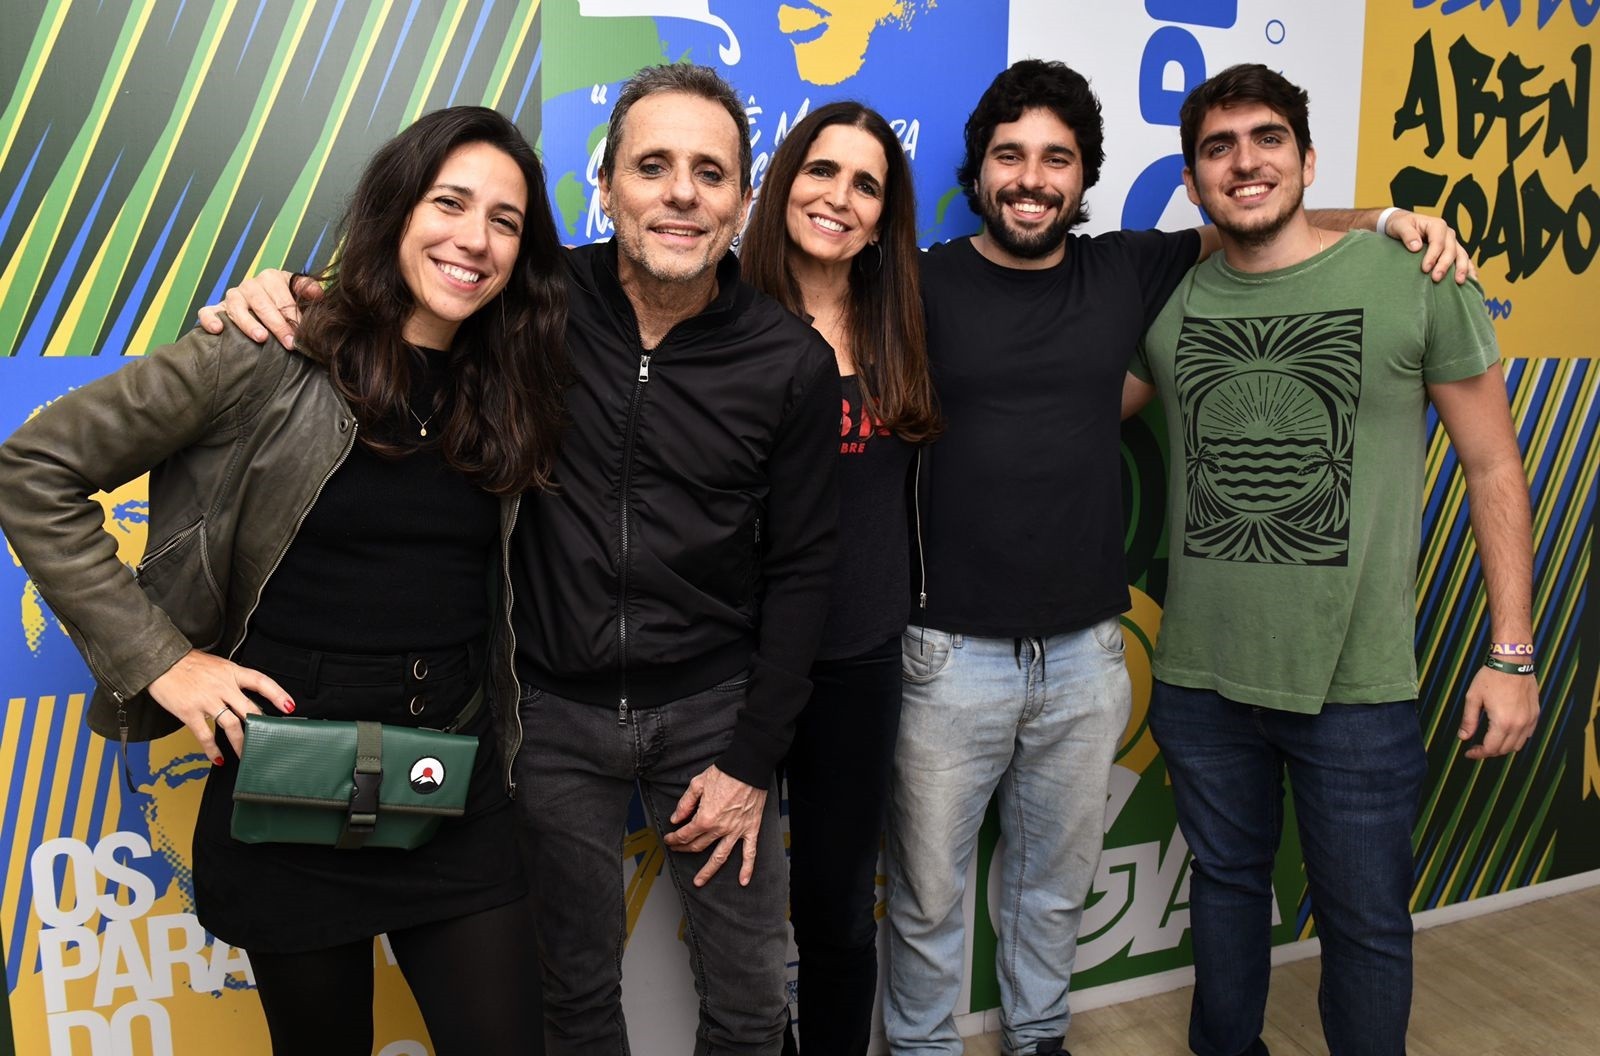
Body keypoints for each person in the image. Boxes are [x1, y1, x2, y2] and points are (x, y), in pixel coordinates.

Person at [202, 64, 840, 1055]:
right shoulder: (527, 306)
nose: (681, 192)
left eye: (710, 172)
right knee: (572, 996)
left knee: (754, 1000)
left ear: (742, 202)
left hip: (715, 717)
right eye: (654, 166)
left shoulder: (786, 358)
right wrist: (278, 297)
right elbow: (400, 308)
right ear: (607, 185)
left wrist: (751, 759)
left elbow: (803, 568)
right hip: (545, 721)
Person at [886, 59, 1477, 1056]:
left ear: (1083, 178)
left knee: (1052, 885)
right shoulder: (917, 280)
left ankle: (1038, 1040)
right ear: (979, 170)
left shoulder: (1130, 270)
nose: (1032, 177)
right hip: (948, 654)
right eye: (1010, 156)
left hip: (1084, 654)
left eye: (1056, 159)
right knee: (927, 891)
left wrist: (1389, 217)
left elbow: (1266, 212)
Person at [0, 106, 569, 1054]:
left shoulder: (517, 376)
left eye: (505, 221)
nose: (475, 238)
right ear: (396, 210)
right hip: (291, 789)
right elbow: (31, 469)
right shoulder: (265, 350)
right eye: (451, 202)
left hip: (454, 783)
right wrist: (164, 661)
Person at [1121, 63, 1539, 1056]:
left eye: (1267, 139)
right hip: (1200, 680)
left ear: (1307, 160)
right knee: (1223, 899)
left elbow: (1492, 466)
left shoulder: (1413, 278)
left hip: (1357, 685)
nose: (1244, 162)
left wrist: (1511, 653)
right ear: (1191, 181)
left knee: (1362, 925)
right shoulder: (1169, 303)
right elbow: (1067, 419)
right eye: (1216, 148)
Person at [739, 100, 940, 1055]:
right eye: (823, 171)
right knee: (734, 919)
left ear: (884, 212)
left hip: (858, 658)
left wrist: (1376, 220)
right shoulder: (718, 309)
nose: (840, 197)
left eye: (866, 183)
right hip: (729, 663)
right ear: (784, 181)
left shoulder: (907, 320)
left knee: (833, 910)